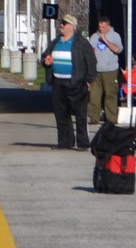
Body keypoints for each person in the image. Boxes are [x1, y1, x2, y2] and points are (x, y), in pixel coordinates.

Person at [41, 13, 97, 150]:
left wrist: (88, 80)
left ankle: (83, 143)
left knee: (80, 114)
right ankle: (65, 142)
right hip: (58, 82)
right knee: (61, 114)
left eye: (64, 23)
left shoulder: (81, 42)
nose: (61, 25)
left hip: (76, 83)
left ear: (71, 26)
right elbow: (45, 56)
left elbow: (91, 61)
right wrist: (46, 61)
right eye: (61, 23)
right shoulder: (55, 42)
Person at [87, 15, 123, 125]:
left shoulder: (115, 36)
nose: (100, 29)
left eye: (103, 27)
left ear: (108, 26)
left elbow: (117, 49)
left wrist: (105, 40)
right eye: (99, 26)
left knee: (110, 94)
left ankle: (111, 118)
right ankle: (94, 117)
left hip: (110, 70)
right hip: (96, 71)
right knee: (94, 95)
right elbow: (89, 52)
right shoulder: (94, 37)